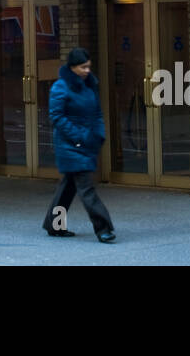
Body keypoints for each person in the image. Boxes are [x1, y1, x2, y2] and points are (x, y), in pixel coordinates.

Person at [43, 47, 116, 242]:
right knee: (86, 188)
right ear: (72, 67)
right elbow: (56, 116)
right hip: (70, 145)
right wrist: (79, 136)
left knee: (68, 187)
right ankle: (103, 228)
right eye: (83, 67)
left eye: (88, 67)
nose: (87, 71)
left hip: (87, 141)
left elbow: (97, 113)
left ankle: (54, 225)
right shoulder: (60, 87)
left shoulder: (89, 86)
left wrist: (98, 134)